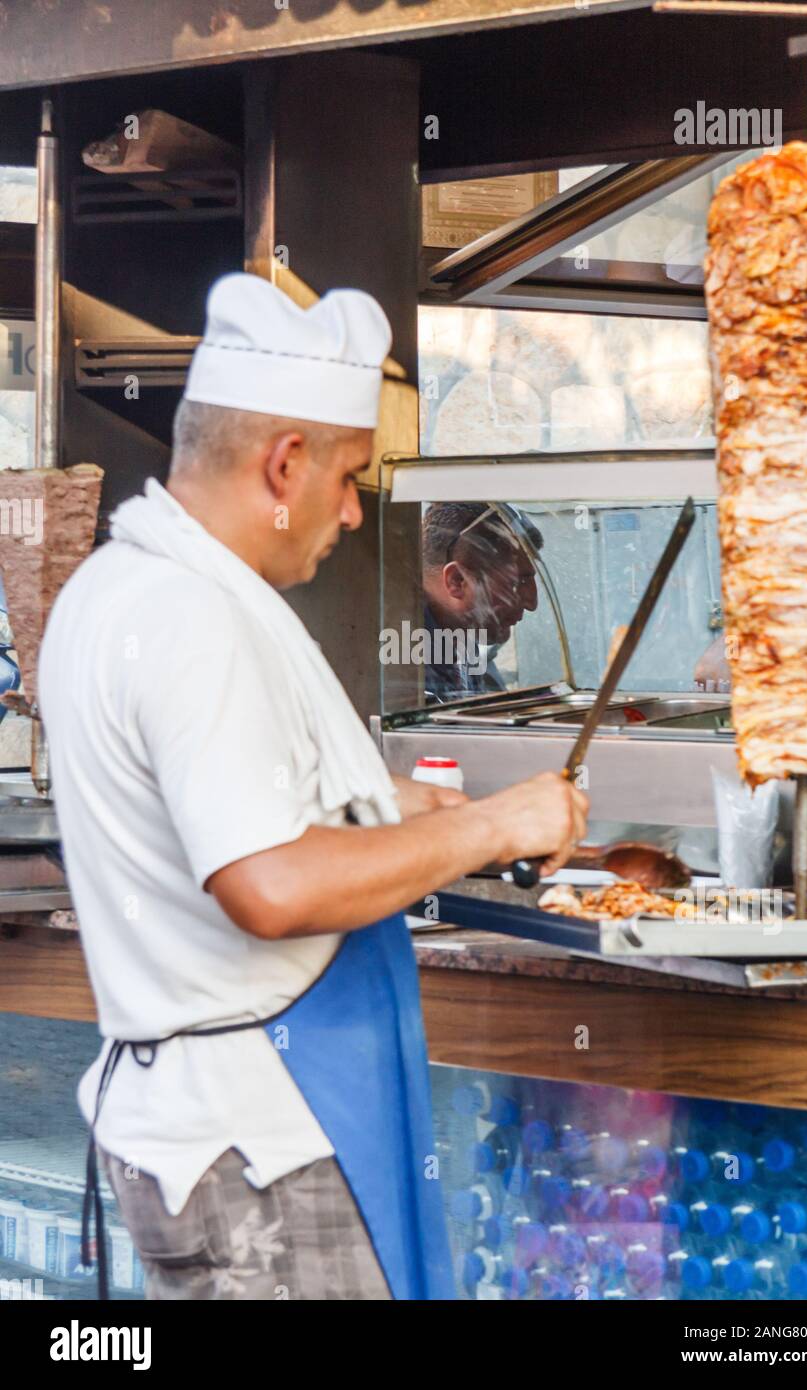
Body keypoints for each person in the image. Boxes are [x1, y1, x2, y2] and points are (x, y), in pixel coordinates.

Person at [38, 273, 588, 1302]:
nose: (349, 510)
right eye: (345, 475)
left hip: (209, 1134)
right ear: (282, 462)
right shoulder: (191, 614)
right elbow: (271, 885)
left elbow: (215, 796)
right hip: (261, 1155)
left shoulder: (123, 585)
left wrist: (382, 807)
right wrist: (493, 824)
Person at [421, 501, 541, 701]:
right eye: (518, 581)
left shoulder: (463, 636)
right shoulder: (402, 664)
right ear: (457, 580)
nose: (532, 602)